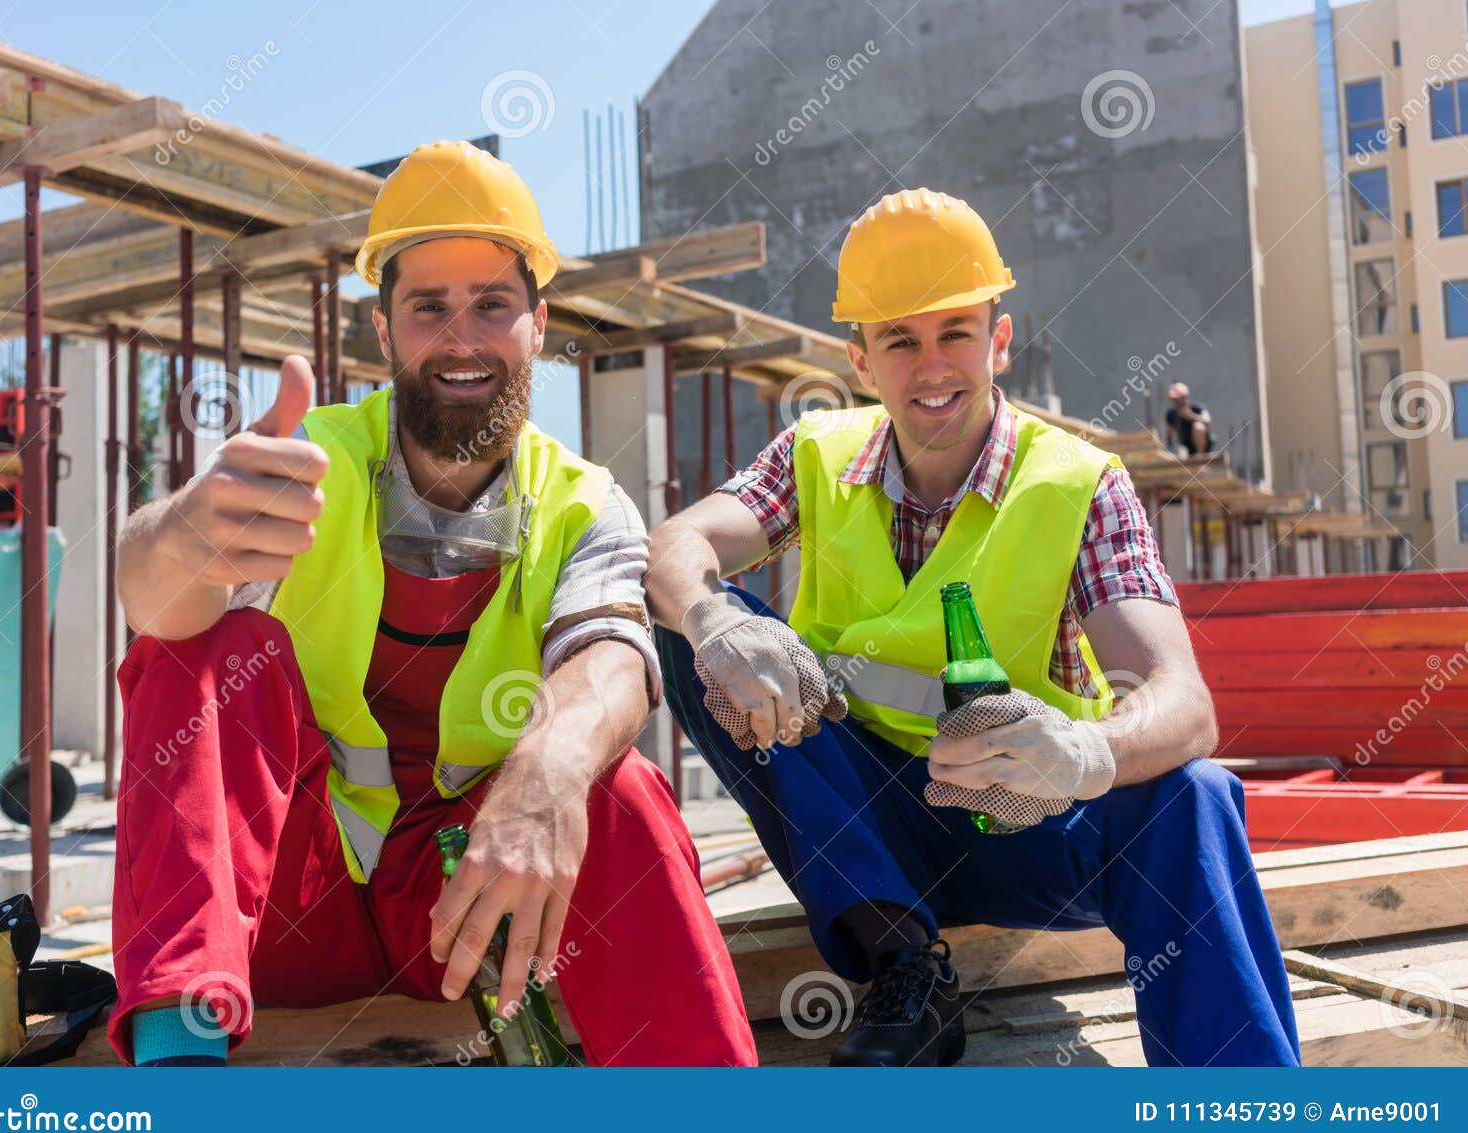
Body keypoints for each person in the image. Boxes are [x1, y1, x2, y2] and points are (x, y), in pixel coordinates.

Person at [108, 140, 756, 1067]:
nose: (462, 338)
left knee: (617, 783)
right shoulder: (310, 467)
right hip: (287, 911)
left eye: (492, 305)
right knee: (206, 648)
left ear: (539, 324)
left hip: (473, 914)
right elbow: (153, 608)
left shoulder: (582, 502)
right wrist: (180, 539)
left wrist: (547, 770)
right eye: (429, 308)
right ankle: (179, 1068)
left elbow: (614, 657)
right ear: (384, 331)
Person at [646, 189, 1299, 1067]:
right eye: (899, 340)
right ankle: (906, 973)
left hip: (1028, 819)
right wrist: (713, 616)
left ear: (999, 339)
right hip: (870, 839)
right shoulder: (815, 454)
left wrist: (1083, 751)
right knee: (689, 633)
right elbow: (675, 544)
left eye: (955, 331)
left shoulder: (1080, 484)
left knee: (1196, 794)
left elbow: (1183, 703)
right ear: (859, 357)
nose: (931, 367)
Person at [1164, 382, 1215, 455]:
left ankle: (1200, 457)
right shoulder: (1171, 413)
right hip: (1185, 448)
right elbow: (1169, 434)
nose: (1174, 401)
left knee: (1198, 427)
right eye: (1173, 399)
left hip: (1203, 448)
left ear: (1184, 397)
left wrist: (1190, 416)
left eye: (1177, 399)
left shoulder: (1196, 407)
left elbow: (1208, 420)